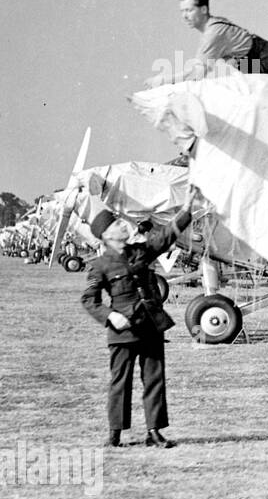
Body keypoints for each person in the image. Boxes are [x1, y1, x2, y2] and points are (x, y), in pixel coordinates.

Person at [81, 189, 197, 448]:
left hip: (150, 327)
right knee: (120, 382)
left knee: (154, 379)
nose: (124, 225)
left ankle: (154, 431)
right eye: (118, 224)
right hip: (122, 331)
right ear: (107, 235)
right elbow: (89, 299)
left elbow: (166, 237)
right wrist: (110, 316)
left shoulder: (140, 251)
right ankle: (115, 433)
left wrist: (186, 210)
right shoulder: (100, 265)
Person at [179, 0, 268, 79]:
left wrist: (163, 80)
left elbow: (197, 73)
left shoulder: (213, 33)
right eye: (182, 11)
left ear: (204, 9)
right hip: (254, 60)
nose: (184, 16)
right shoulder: (214, 26)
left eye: (189, 10)